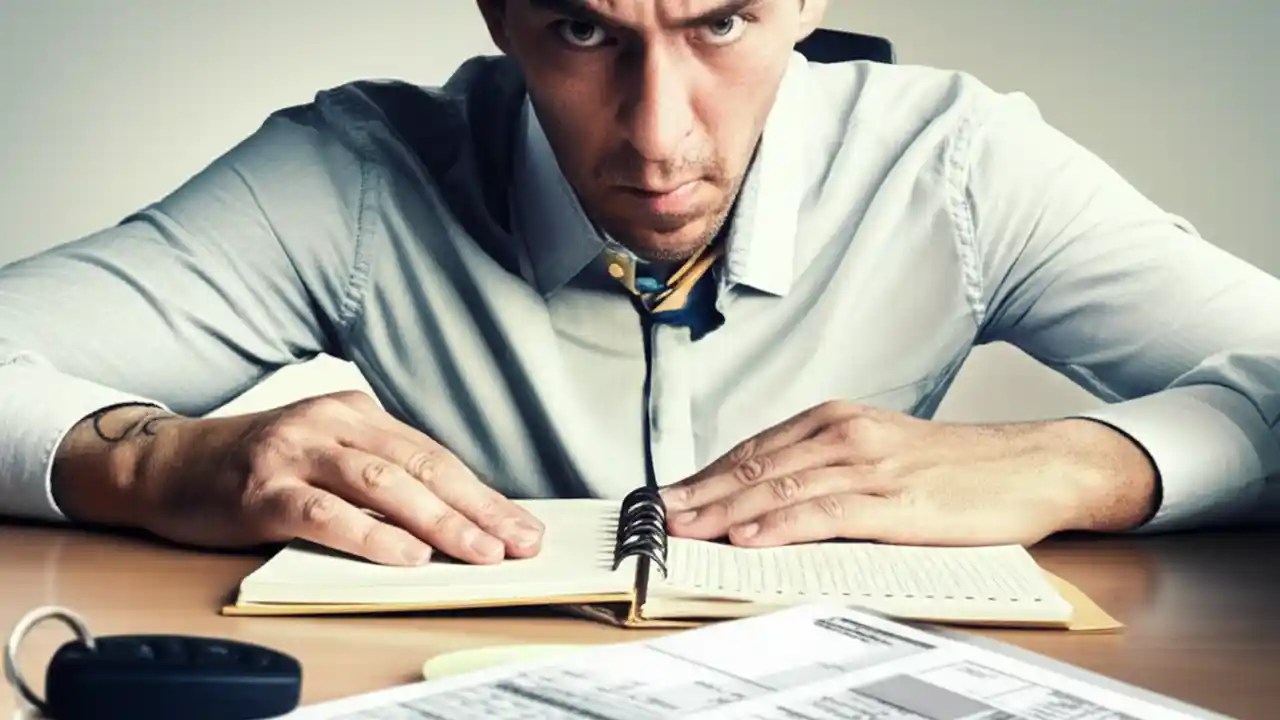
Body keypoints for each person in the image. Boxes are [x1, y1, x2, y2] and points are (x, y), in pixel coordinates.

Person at [1, 0, 1276, 568]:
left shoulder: (959, 165)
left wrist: (1078, 466)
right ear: (495, 12)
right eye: (581, 29)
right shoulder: (352, 173)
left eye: (720, 22)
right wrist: (154, 464)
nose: (658, 139)